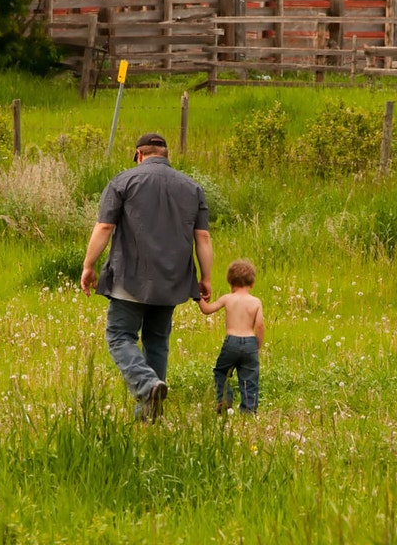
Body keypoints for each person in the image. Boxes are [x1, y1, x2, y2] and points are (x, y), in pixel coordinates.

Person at [81, 132, 212, 421]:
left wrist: (88, 265)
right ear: (166, 156)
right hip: (172, 280)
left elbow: (104, 228)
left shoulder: (123, 181)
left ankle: (146, 383)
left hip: (131, 277)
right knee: (156, 341)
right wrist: (206, 277)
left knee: (119, 335)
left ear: (139, 155)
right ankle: (149, 415)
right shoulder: (192, 188)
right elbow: (202, 236)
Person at [198, 258, 265, 415]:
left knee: (222, 372)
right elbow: (260, 326)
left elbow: (206, 309)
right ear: (252, 283)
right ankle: (249, 411)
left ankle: (224, 401)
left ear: (230, 282)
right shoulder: (256, 302)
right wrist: (258, 345)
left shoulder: (228, 298)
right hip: (250, 342)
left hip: (231, 341)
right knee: (250, 377)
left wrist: (197, 297)